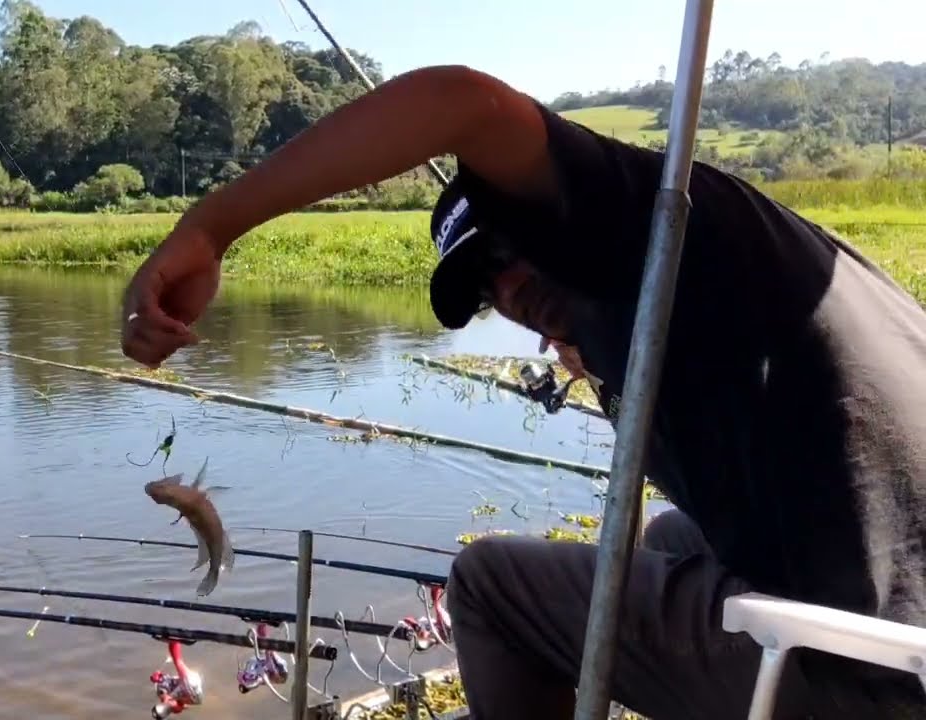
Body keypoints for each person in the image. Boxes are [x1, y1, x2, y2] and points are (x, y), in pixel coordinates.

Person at [118, 64, 926, 719]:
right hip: (891, 622)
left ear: (569, 218)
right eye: (484, 290)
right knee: (669, 540)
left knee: (490, 586)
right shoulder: (755, 264)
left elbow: (458, 101)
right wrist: (605, 346)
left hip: (873, 673)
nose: (507, 293)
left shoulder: (655, 218)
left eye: (510, 252)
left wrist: (209, 228)